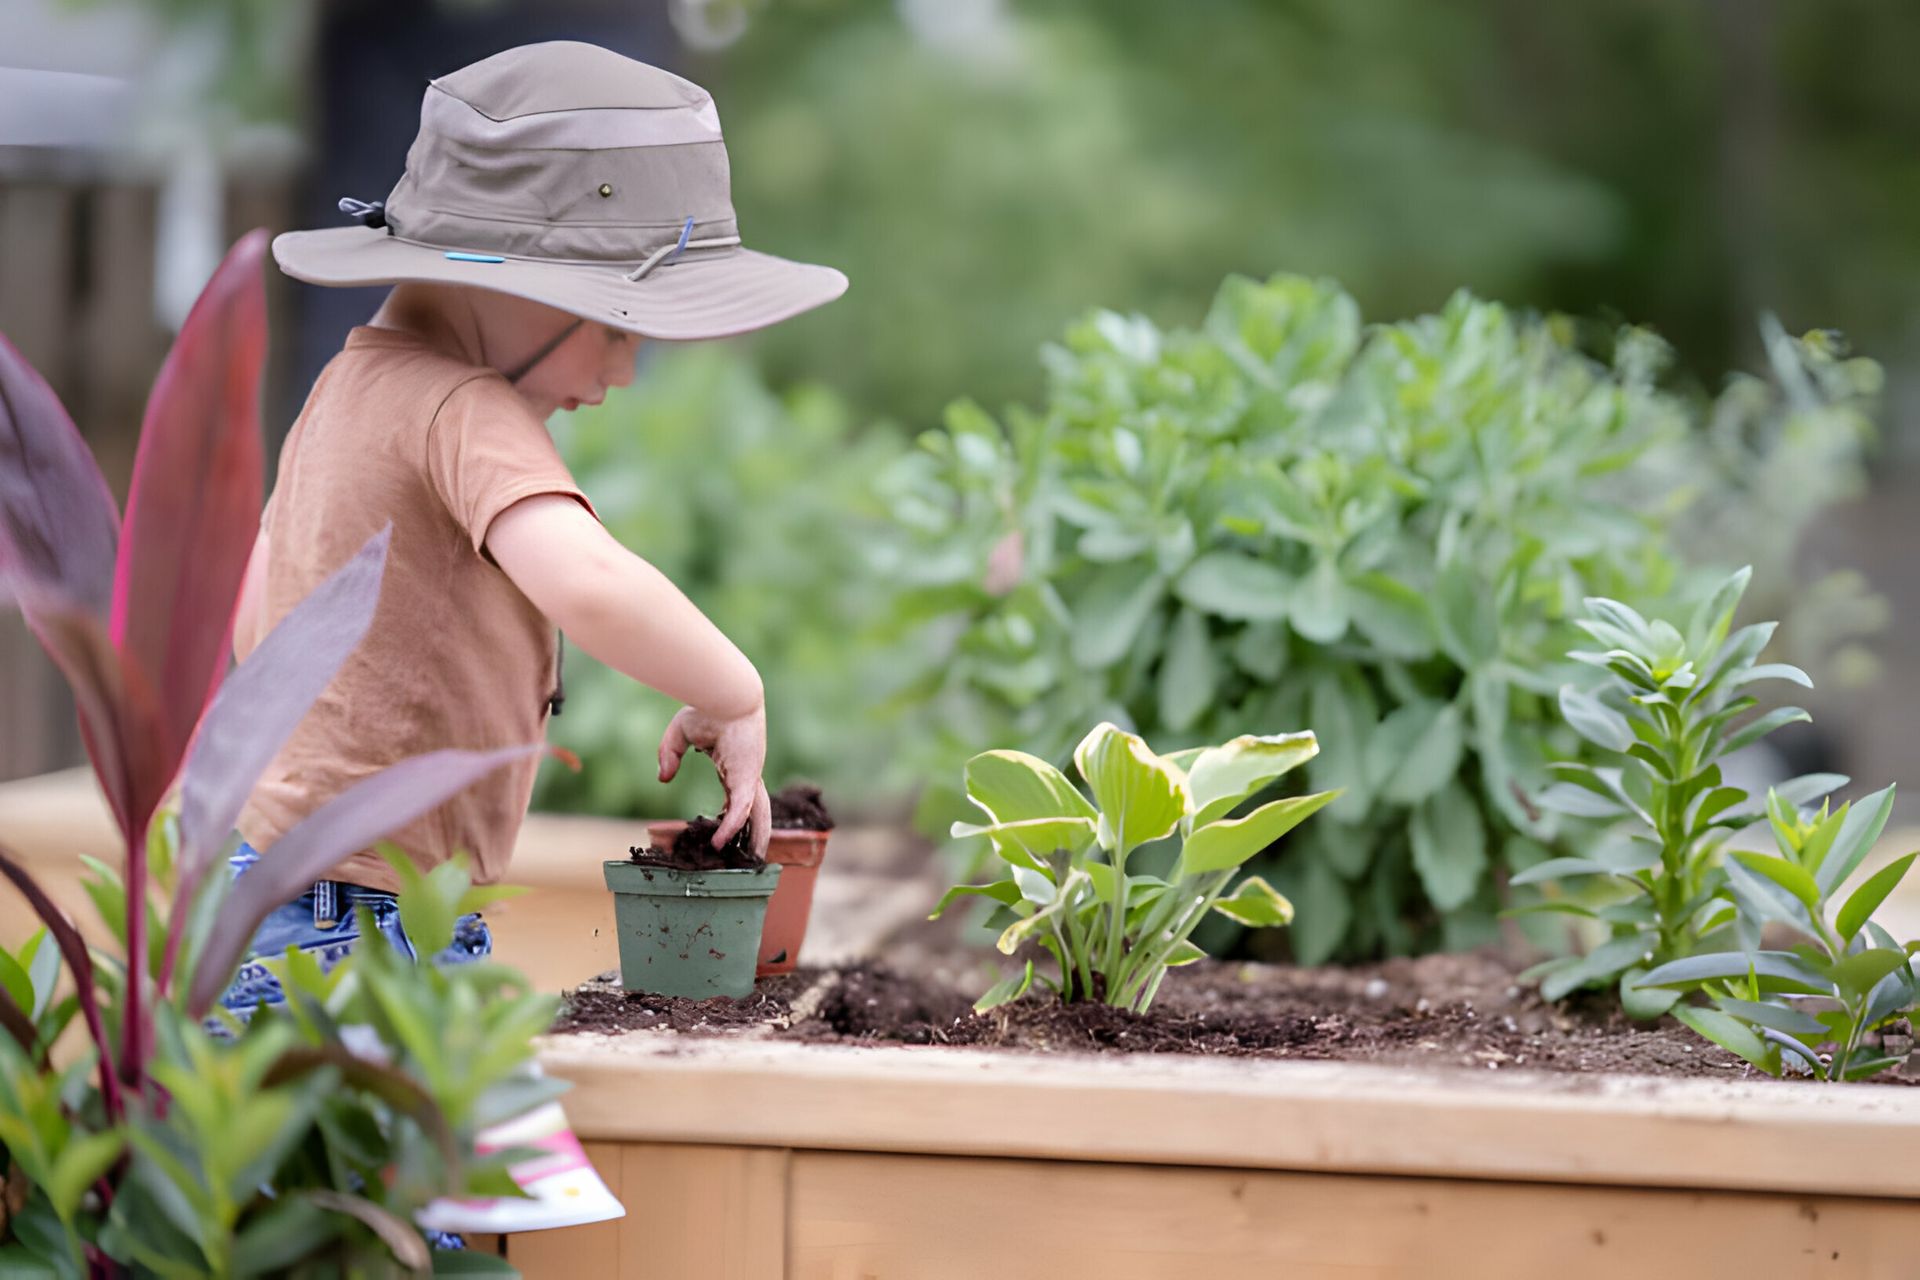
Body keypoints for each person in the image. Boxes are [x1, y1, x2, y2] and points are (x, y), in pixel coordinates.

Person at [215, 40, 847, 1018]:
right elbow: (588, 583)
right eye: (616, 324)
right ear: (509, 281)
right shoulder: (463, 406)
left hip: (264, 901)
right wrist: (733, 691)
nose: (625, 370)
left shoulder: (344, 390)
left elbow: (257, 623)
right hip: (368, 928)